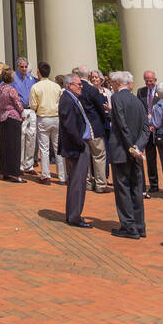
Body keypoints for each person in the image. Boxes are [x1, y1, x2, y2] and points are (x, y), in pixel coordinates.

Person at [107, 70, 149, 238]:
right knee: (136, 189)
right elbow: (146, 127)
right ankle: (140, 226)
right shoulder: (138, 101)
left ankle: (129, 227)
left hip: (122, 151)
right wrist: (138, 148)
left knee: (123, 188)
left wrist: (131, 148)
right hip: (136, 153)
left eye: (112, 83)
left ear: (117, 83)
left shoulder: (116, 98)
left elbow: (122, 125)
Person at [58, 74, 94, 228]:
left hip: (79, 144)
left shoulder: (71, 98)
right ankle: (74, 216)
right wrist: (80, 144)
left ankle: (73, 213)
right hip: (76, 147)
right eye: (78, 84)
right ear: (69, 85)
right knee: (77, 183)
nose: (81, 86)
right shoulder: (67, 99)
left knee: (76, 182)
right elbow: (69, 125)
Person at [30, 61, 66, 185]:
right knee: (58, 148)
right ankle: (62, 176)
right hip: (56, 118)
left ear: (39, 72)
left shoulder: (36, 87)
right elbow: (61, 102)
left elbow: (33, 105)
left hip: (43, 117)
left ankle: (46, 175)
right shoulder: (56, 86)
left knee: (44, 149)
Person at [76, 63, 108, 192]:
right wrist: (103, 120)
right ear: (89, 75)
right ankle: (100, 184)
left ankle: (88, 183)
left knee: (86, 157)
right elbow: (101, 109)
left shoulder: (76, 90)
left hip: (81, 127)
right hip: (94, 126)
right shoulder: (93, 90)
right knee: (99, 156)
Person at [0, 68, 25, 182]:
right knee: (15, 146)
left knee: (5, 146)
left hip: (3, 116)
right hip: (12, 117)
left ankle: (5, 171)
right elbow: (17, 103)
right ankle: (15, 173)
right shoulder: (11, 90)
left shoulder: (0, 89)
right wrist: (22, 113)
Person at [136, 69, 161, 197]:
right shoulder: (141, 91)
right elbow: (139, 108)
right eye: (146, 81)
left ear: (155, 80)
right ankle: (153, 184)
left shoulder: (161, 91)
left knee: (159, 157)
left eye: (150, 81)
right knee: (150, 158)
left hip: (159, 129)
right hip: (146, 129)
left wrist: (155, 123)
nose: (148, 83)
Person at [13, 57, 38, 175]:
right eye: (21, 66)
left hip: (31, 110)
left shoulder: (31, 78)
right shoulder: (13, 77)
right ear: (17, 67)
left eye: (25, 66)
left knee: (31, 137)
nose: (24, 69)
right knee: (21, 138)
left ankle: (29, 165)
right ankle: (20, 165)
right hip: (20, 110)